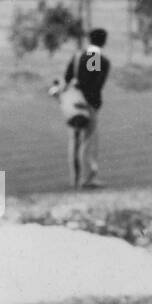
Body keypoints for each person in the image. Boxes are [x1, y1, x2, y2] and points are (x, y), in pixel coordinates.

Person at [64, 28, 111, 190]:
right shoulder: (95, 57)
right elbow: (92, 85)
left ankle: (77, 178)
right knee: (87, 141)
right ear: (104, 41)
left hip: (74, 104)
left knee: (75, 141)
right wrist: (90, 104)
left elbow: (68, 78)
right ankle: (87, 178)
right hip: (87, 105)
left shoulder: (78, 56)